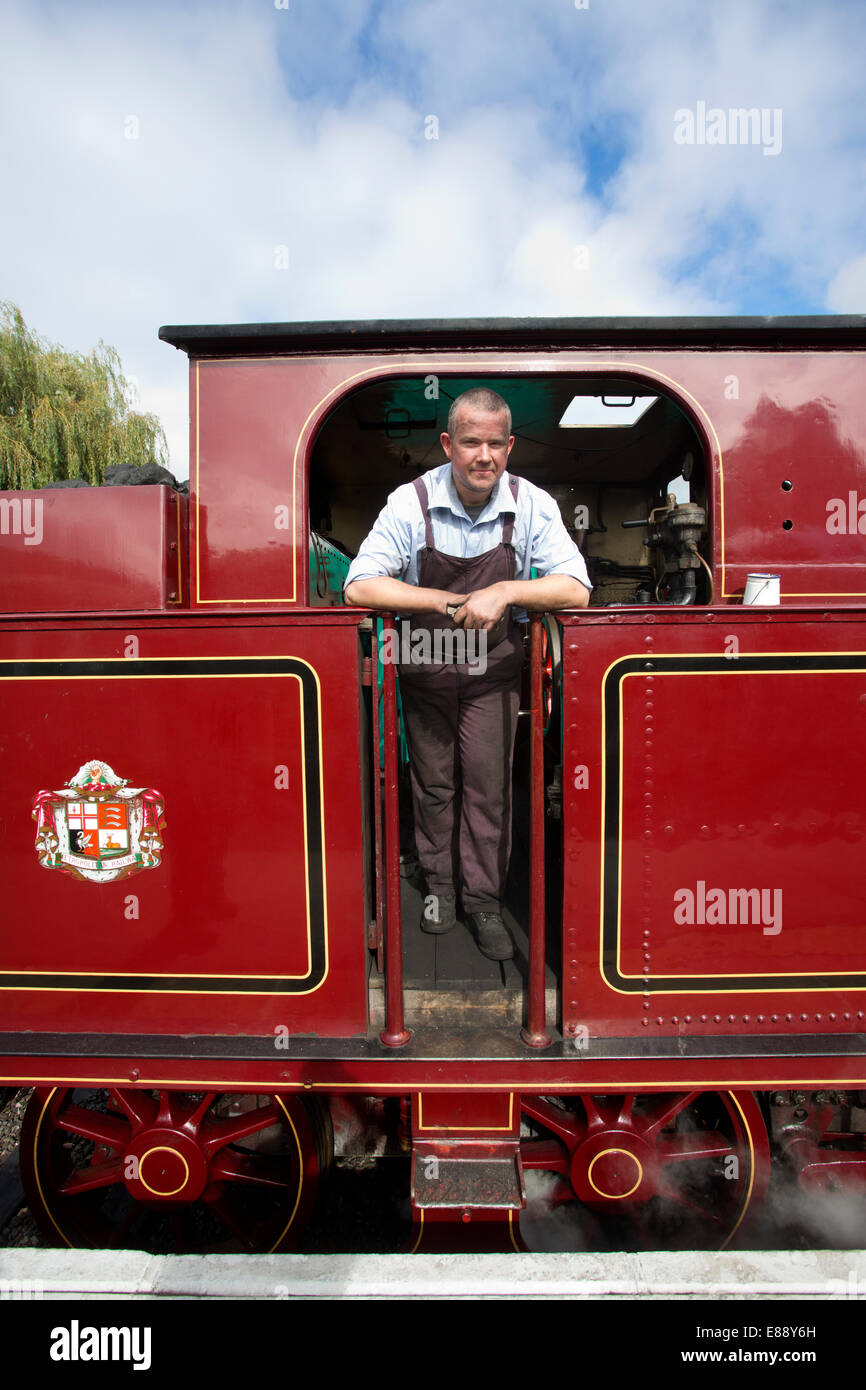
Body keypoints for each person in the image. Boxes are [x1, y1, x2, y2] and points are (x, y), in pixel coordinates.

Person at [344, 388, 591, 962]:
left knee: (488, 787)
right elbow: (360, 583)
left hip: (492, 671)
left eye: (495, 444)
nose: (485, 455)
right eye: (472, 442)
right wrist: (441, 601)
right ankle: (439, 890)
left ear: (510, 446)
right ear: (448, 445)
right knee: (434, 786)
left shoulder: (530, 502)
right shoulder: (409, 502)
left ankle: (482, 900)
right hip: (424, 664)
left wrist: (505, 590)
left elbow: (576, 586)